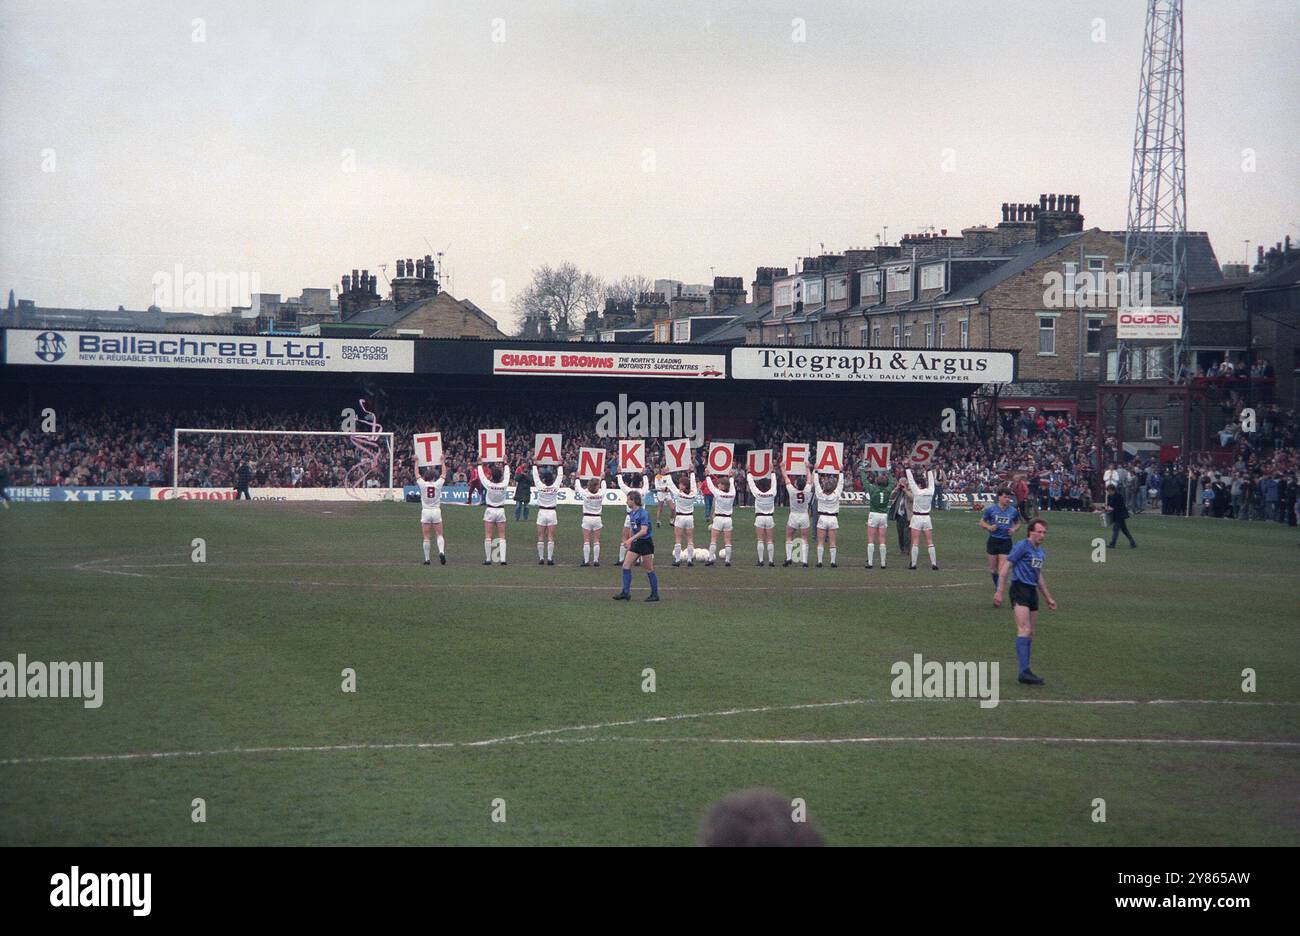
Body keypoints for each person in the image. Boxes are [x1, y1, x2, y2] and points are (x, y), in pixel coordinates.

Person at [994, 518, 1056, 686]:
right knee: (1024, 629)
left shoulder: (1040, 551)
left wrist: (1047, 597)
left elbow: (1038, 575)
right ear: (1031, 532)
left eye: (1044, 532)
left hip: (1032, 591)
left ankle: (1026, 670)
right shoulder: (1022, 546)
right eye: (1039, 531)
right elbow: (1006, 567)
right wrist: (999, 591)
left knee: (1030, 632)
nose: (1042, 535)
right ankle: (1023, 672)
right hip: (1019, 589)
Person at [613, 490, 659, 602]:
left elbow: (644, 531)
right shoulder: (632, 514)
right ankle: (626, 592)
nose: (626, 501)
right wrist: (631, 542)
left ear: (633, 500)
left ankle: (655, 594)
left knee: (649, 569)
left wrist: (630, 540)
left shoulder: (643, 513)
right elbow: (634, 529)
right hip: (637, 543)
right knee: (626, 566)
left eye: (628, 499)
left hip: (646, 543)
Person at [979, 489, 1021, 598]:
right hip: (993, 540)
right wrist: (989, 527)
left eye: (1009, 497)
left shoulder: (1013, 511)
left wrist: (1014, 530)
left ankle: (999, 591)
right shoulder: (991, 509)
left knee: (1002, 569)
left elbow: (1017, 523)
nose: (1008, 499)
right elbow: (981, 522)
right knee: (993, 569)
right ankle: (998, 587)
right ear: (999, 497)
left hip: (1006, 541)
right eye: (1005, 497)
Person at [906, 467, 938, 570]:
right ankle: (934, 563)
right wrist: (928, 470)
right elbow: (932, 482)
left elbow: (911, 480)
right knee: (930, 541)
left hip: (917, 517)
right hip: (926, 517)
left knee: (915, 541)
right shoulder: (930, 491)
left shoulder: (917, 492)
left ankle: (914, 564)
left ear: (919, 485)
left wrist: (907, 468)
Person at [477, 461, 509, 565]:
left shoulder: (489, 485)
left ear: (491, 476)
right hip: (500, 510)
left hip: (490, 510)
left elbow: (481, 476)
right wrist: (506, 463)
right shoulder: (504, 485)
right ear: (500, 477)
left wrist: (479, 464)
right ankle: (503, 559)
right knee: (502, 536)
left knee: (488, 535)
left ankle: (488, 559)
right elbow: (507, 475)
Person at [532, 463, 564, 565]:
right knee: (550, 536)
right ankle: (549, 558)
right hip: (552, 513)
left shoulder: (540, 486)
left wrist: (534, 465)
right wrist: (560, 465)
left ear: (544, 480)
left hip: (542, 512)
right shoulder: (555, 487)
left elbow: (535, 476)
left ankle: (541, 558)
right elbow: (560, 476)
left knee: (540, 536)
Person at [616, 470, 650, 563]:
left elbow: (621, 485)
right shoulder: (643, 491)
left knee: (625, 536)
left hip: (629, 516)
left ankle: (621, 558)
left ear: (632, 483)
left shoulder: (630, 491)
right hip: (640, 517)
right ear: (640, 483)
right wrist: (645, 474)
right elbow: (647, 484)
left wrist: (619, 474)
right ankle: (637, 559)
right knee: (637, 537)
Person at [780, 466, 812, 568]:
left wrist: (782, 468)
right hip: (804, 516)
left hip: (793, 515)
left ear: (797, 485)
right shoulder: (807, 491)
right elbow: (810, 480)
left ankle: (789, 558)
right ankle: (805, 561)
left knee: (789, 537)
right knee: (804, 538)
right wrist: (807, 468)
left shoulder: (792, 491)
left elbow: (786, 478)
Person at [666, 470, 699, 567]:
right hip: (689, 517)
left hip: (680, 517)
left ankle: (677, 560)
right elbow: (693, 485)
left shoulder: (678, 494)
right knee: (690, 539)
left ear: (684, 486)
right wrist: (692, 472)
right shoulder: (693, 494)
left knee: (678, 539)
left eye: (680, 484)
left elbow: (671, 485)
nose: (679, 486)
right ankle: (689, 560)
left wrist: (668, 474)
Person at [416, 465, 447, 565]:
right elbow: (444, 474)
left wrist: (416, 462)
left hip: (426, 511)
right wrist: (442, 462)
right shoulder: (437, 484)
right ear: (433, 478)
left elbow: (416, 474)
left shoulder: (423, 484)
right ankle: (441, 551)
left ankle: (427, 559)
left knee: (426, 537)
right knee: (439, 534)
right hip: (436, 511)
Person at [862, 470, 893, 569]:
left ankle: (870, 562)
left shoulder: (873, 489)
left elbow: (864, 481)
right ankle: (883, 563)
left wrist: (862, 471)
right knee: (882, 539)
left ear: (876, 482)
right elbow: (892, 482)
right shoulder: (888, 490)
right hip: (883, 515)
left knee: (871, 539)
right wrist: (889, 472)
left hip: (874, 514)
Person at [813, 471, 844, 568]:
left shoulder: (820, 494)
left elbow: (816, 483)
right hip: (833, 519)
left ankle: (819, 561)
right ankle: (833, 562)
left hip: (822, 518)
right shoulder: (836, 494)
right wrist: (841, 472)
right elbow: (841, 483)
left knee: (820, 541)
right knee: (832, 542)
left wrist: (816, 471)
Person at [747, 469, 777, 567]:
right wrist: (772, 472)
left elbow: (751, 484)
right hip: (769, 518)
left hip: (759, 518)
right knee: (770, 540)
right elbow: (774, 483)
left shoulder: (757, 494)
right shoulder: (772, 493)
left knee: (760, 540)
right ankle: (771, 561)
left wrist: (749, 472)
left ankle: (760, 561)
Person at [576, 475, 608, 566]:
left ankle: (586, 561)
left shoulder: (585, 494)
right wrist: (603, 479)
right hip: (597, 518)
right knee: (596, 540)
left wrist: (578, 478)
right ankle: (596, 561)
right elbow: (605, 487)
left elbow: (578, 487)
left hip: (587, 518)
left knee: (586, 540)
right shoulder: (600, 494)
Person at [706, 472, 736, 567]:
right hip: (728, 519)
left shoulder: (718, 493)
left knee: (714, 539)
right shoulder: (732, 493)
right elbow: (732, 487)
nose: (718, 485)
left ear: (723, 486)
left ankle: (711, 559)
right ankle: (727, 560)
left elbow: (710, 486)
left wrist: (707, 475)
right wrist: (731, 477)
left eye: (720, 484)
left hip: (718, 518)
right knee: (727, 541)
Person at [1105, 482, 1137, 549]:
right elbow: (1108, 504)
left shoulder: (1119, 496)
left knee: (1115, 529)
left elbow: (1120, 506)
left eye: (1109, 491)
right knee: (1125, 530)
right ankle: (1133, 543)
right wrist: (1106, 508)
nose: (1108, 492)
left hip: (1120, 515)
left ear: (1112, 490)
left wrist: (1112, 508)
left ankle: (1112, 544)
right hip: (1115, 515)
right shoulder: (1109, 496)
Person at [889, 472, 913, 555]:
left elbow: (912, 498)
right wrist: (897, 488)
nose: (902, 484)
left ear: (906, 483)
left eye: (903, 482)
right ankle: (902, 549)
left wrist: (905, 490)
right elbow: (891, 496)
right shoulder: (898, 490)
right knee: (900, 533)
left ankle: (907, 550)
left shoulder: (910, 489)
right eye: (900, 482)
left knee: (907, 534)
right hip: (899, 515)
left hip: (907, 514)